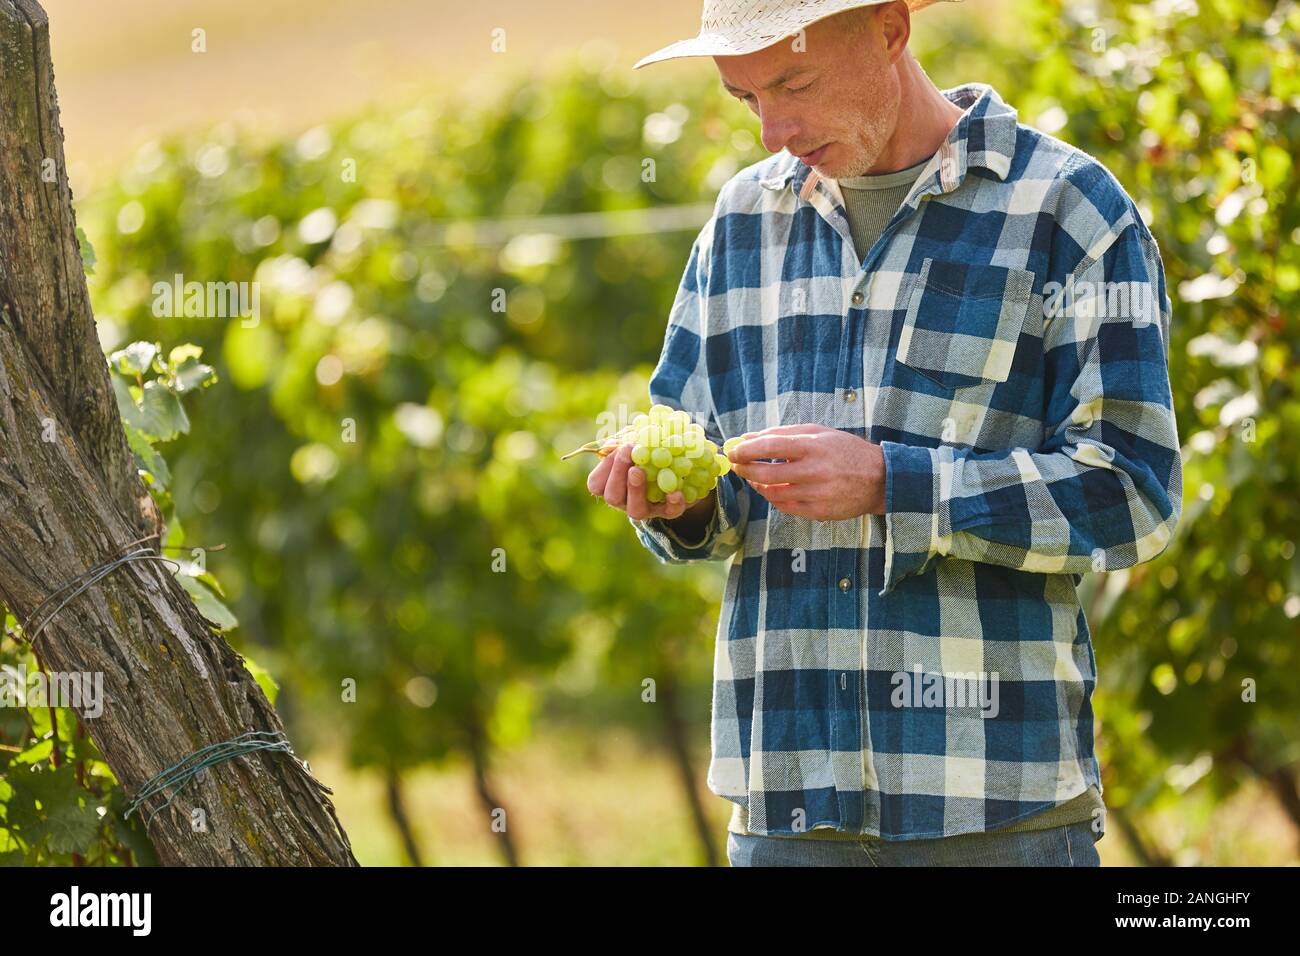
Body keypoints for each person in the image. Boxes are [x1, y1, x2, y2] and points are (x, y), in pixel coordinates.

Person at [584, 0, 1182, 866]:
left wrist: (893, 485)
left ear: (891, 30)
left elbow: (1134, 493)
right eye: (746, 98)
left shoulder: (1070, 212)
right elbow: (708, 496)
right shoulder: (741, 225)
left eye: (794, 82)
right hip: (785, 815)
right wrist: (677, 506)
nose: (772, 130)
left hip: (994, 817)